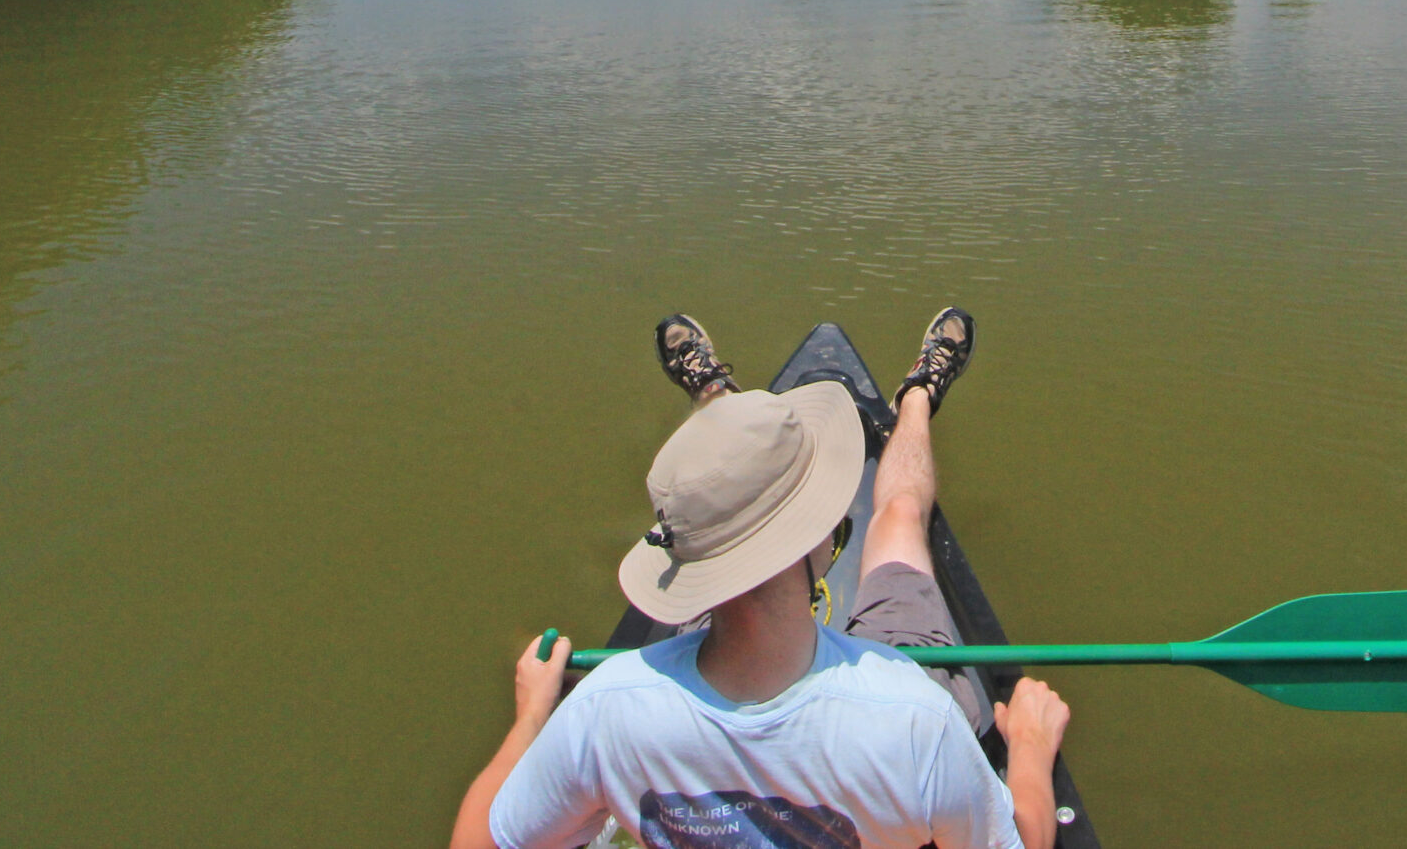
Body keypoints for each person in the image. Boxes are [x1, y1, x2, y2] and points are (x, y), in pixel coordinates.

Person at [451, 308, 1073, 849]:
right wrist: (1029, 751)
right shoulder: (917, 722)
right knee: (902, 517)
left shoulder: (600, 713)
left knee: (746, 490)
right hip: (895, 698)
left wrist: (532, 717)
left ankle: (718, 409)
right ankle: (916, 399)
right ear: (823, 538)